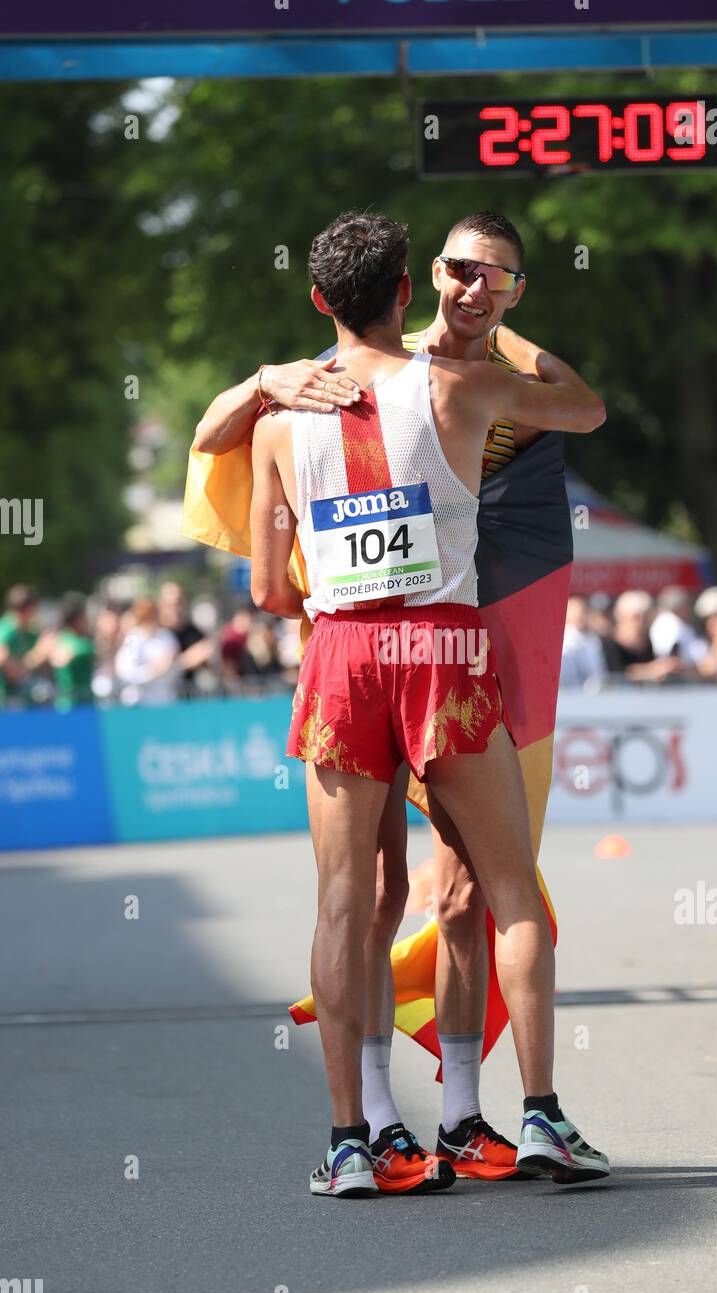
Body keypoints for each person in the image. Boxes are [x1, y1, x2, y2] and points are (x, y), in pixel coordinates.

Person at [188, 210, 595, 1190]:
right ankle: (537, 1112)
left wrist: (263, 393)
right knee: (508, 888)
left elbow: (268, 594)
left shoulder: (282, 420)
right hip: (447, 653)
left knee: (345, 902)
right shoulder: (458, 384)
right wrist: (503, 311)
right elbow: (582, 410)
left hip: (343, 661)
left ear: (320, 298)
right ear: (407, 294)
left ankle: (350, 1140)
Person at [601, 590, 679, 683]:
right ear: (621, 617)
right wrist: (650, 671)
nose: (641, 622)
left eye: (645, 617)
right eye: (636, 617)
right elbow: (616, 676)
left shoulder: (649, 643)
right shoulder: (606, 645)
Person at [114, 597, 181, 705]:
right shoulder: (132, 639)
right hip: (138, 702)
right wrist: (152, 671)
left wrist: (169, 666)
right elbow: (125, 672)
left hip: (165, 700)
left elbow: (175, 667)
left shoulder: (167, 637)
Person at [158, 582, 212, 695]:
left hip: (189, 699)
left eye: (179, 603)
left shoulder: (195, 633)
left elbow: (205, 657)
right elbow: (154, 669)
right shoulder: (155, 634)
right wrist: (184, 661)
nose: (175, 609)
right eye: (169, 605)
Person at [649, 586, 708, 671]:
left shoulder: (682, 625)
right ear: (679, 608)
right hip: (675, 679)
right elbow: (670, 658)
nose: (689, 610)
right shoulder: (666, 622)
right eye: (686, 606)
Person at [0, 584, 40, 706]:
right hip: (7, 700)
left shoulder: (28, 632)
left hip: (19, 697)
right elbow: (4, 659)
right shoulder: (6, 631)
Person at [560, 595, 605, 687]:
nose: (580, 616)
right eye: (575, 612)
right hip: (569, 693)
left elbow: (599, 672)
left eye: (583, 612)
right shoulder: (563, 640)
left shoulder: (593, 639)